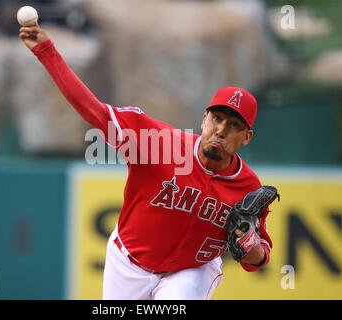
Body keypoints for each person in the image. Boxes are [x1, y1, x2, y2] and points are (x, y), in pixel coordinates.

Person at [19, 23, 274, 300]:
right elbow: (94, 110)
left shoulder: (248, 187)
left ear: (246, 136)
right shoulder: (158, 144)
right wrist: (46, 51)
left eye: (233, 125)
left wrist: (252, 246)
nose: (221, 130)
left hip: (192, 271)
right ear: (204, 119)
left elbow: (258, 260)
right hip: (129, 262)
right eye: (217, 118)